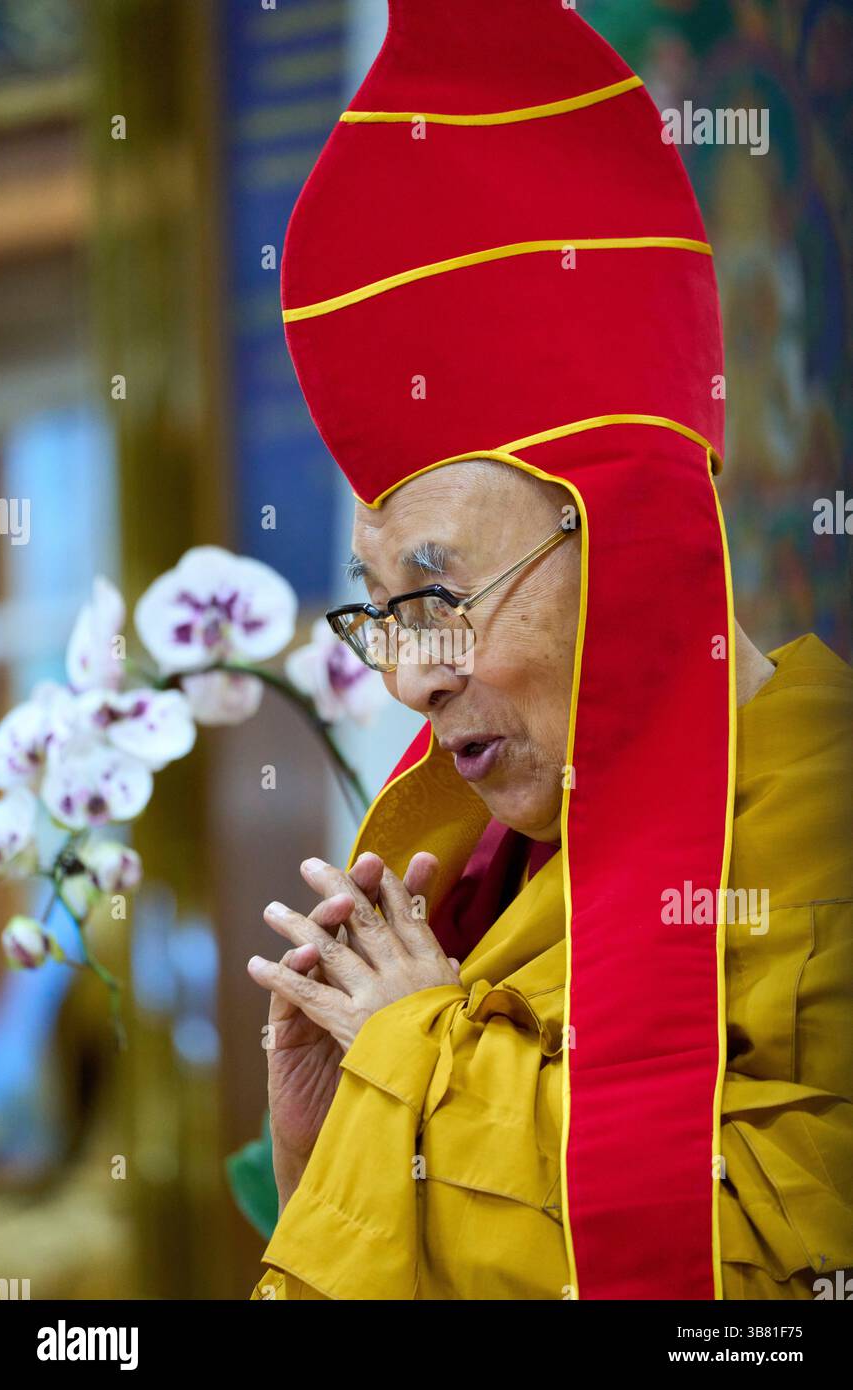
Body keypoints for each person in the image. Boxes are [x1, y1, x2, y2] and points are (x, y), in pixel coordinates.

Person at [246, 1, 853, 1299]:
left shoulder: (827, 826)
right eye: (383, 605)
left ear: (626, 534)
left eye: (441, 587)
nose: (410, 674)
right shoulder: (475, 883)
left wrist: (419, 1066)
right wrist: (327, 1145)